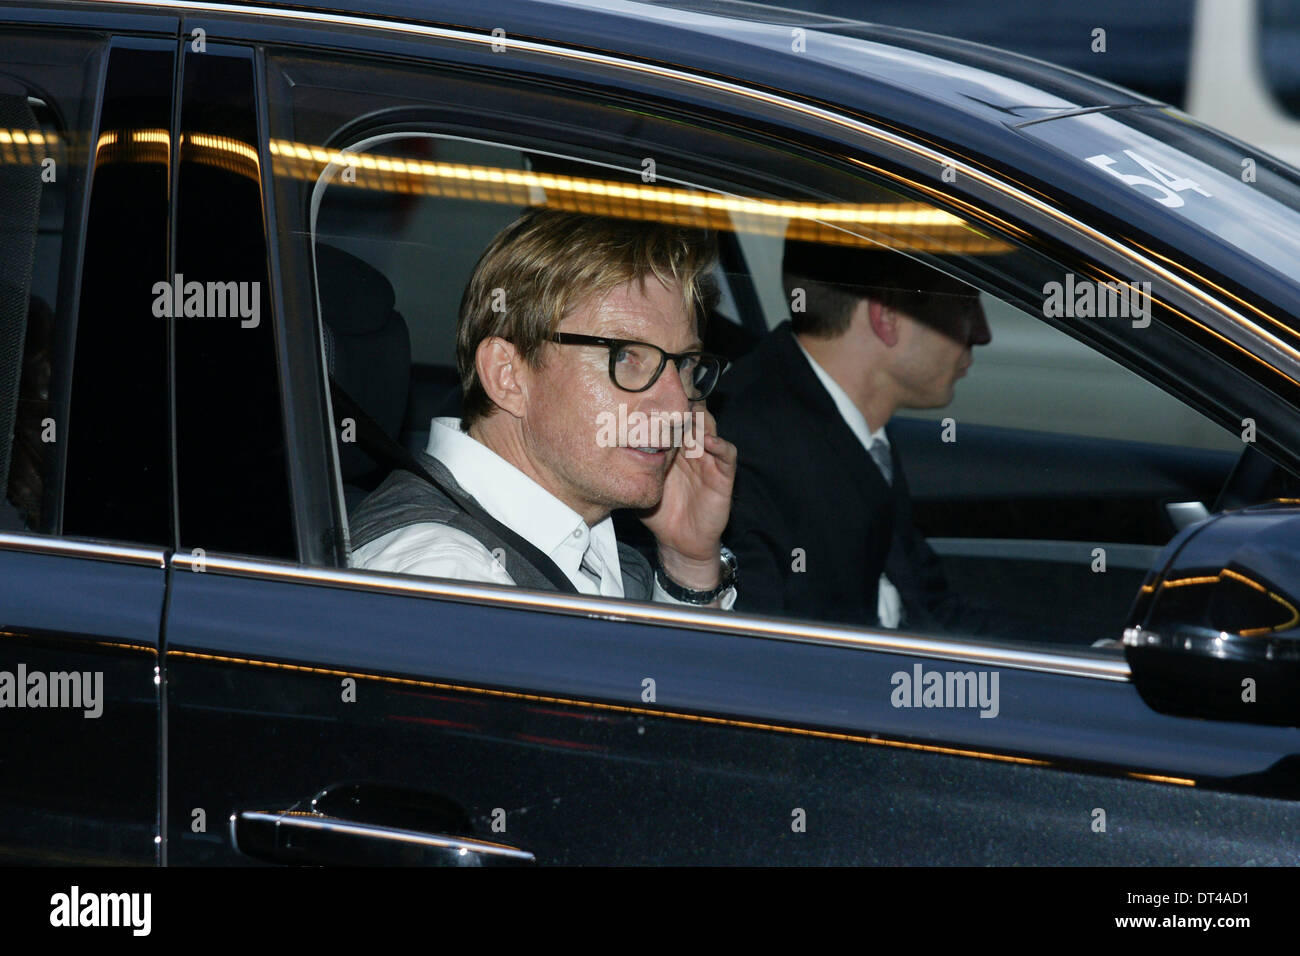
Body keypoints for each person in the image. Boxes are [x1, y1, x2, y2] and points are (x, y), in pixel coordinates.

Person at [349, 208, 739, 609]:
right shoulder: (449, 578)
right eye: (626, 357)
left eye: (686, 364)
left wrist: (688, 563)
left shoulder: (590, 546)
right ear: (508, 375)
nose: (677, 409)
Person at [716, 233, 997, 631]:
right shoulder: (745, 449)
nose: (983, 333)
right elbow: (779, 663)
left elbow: (928, 607)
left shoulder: (849, 423)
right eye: (966, 305)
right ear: (888, 317)